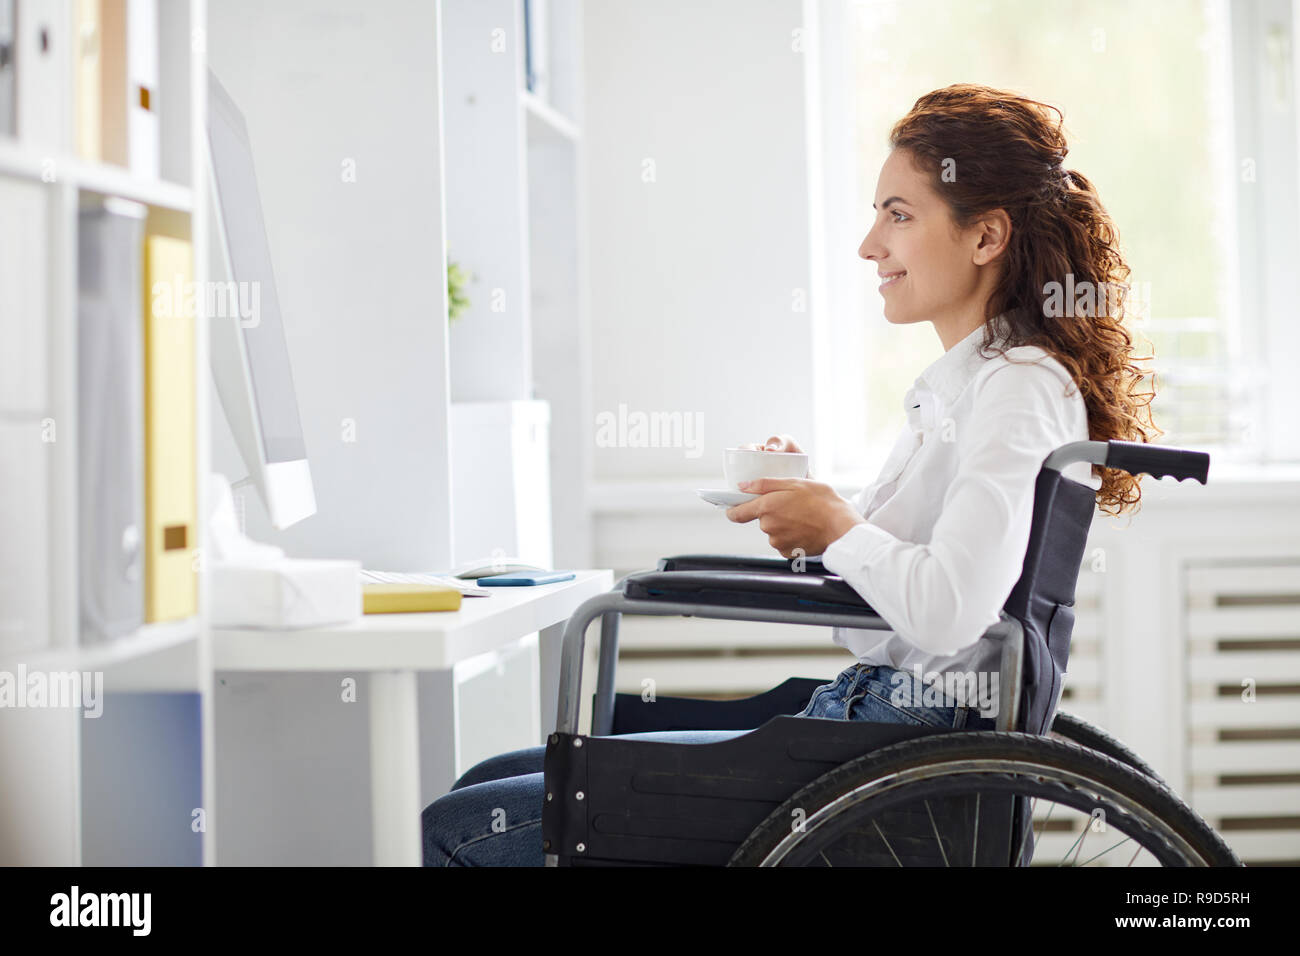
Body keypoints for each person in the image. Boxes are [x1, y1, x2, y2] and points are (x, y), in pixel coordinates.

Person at [421, 83, 1158, 866]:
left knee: (457, 827)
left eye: (898, 215)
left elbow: (948, 613)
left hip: (897, 746)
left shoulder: (1016, 387)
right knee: (490, 780)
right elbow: (878, 617)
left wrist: (836, 527)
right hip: (875, 722)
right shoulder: (974, 385)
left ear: (986, 237)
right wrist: (812, 521)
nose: (870, 245)